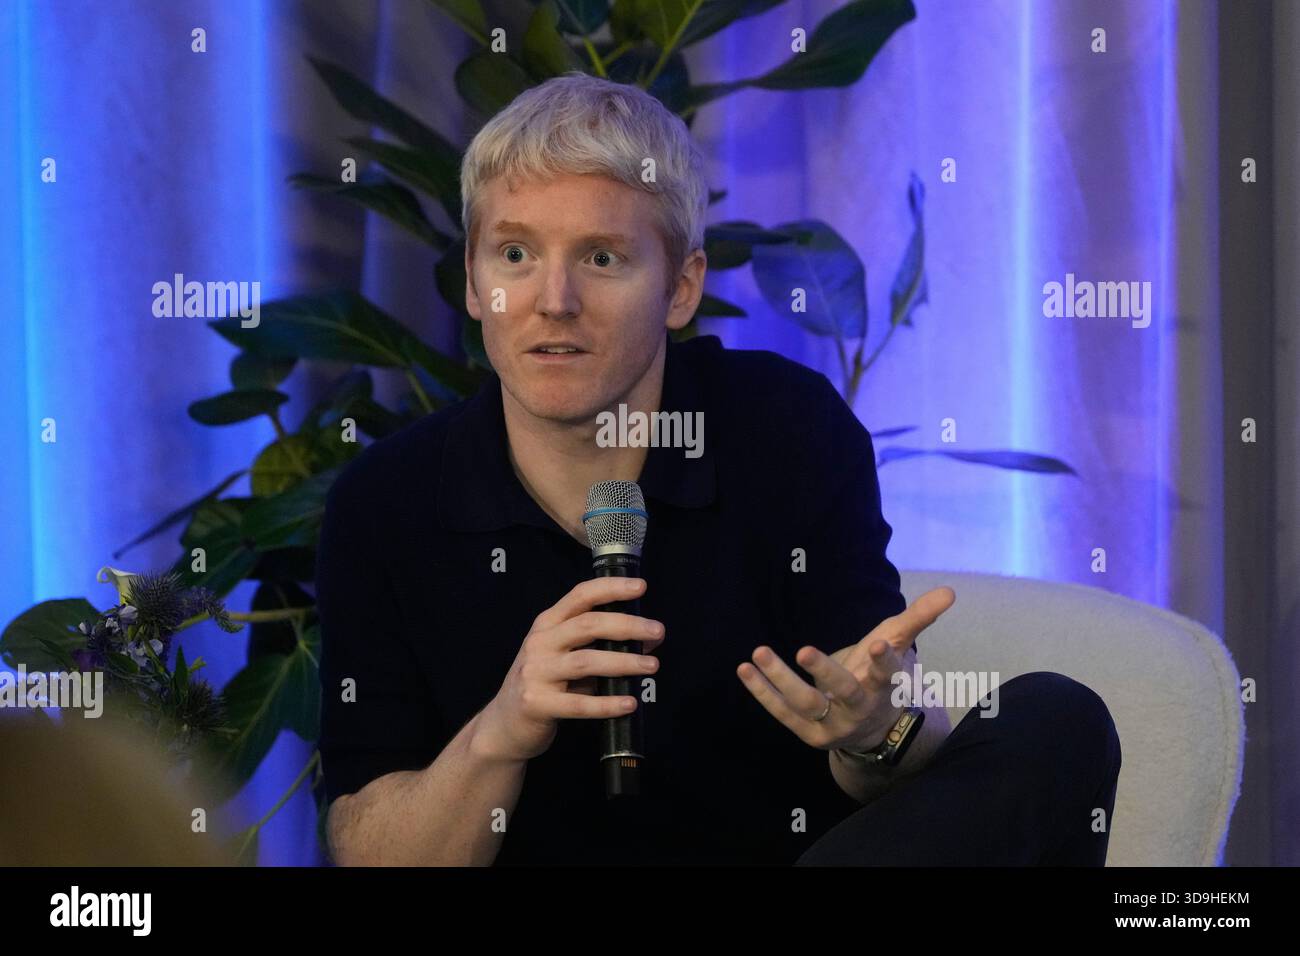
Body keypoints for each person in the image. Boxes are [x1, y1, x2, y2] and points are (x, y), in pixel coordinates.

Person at [316, 72, 1120, 866]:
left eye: (601, 258)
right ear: (473, 282)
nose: (551, 300)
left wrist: (881, 731)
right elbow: (372, 851)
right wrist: (499, 734)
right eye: (516, 253)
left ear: (681, 288)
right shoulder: (384, 504)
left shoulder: (785, 431)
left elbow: (891, 757)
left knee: (1057, 721)